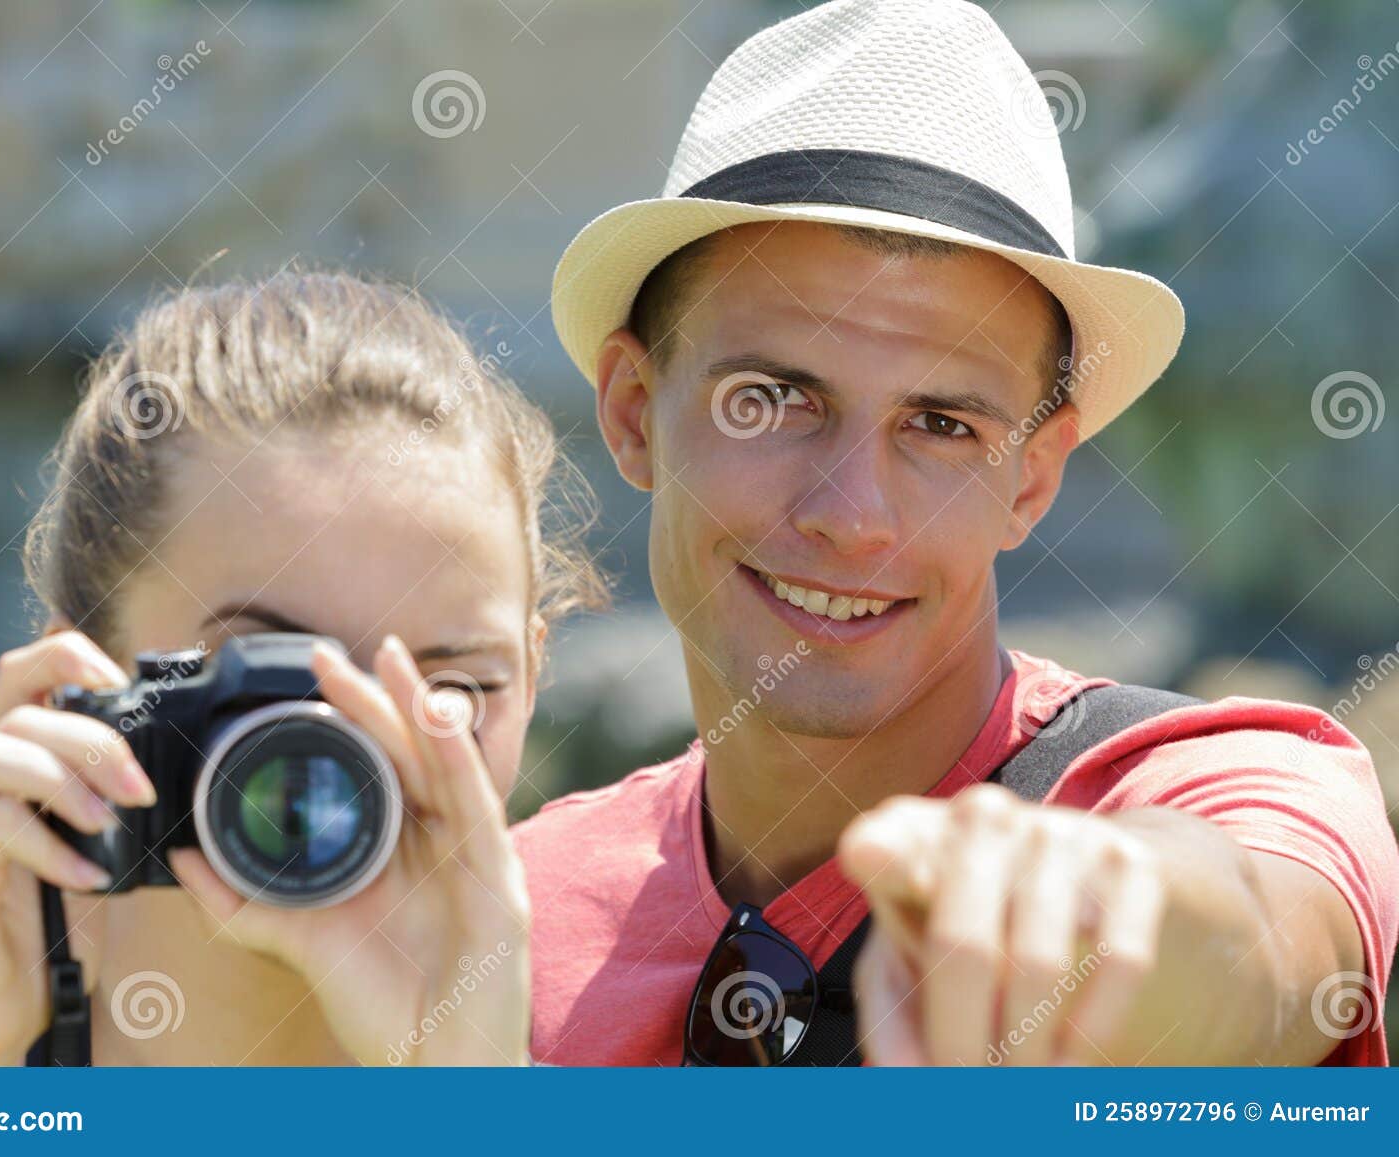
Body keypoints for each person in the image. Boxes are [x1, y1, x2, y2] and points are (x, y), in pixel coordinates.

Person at [515, 0, 1399, 1066]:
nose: (852, 515)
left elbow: (1260, 932)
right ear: (629, 412)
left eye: (940, 426)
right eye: (774, 399)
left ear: (1032, 477)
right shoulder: (507, 918)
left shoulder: (1226, 780)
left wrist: (1099, 930)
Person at [0, 269, 605, 1065]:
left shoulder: (639, 1049)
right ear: (82, 691)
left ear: (531, 680)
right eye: (268, 681)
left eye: (451, 691)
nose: (355, 752)